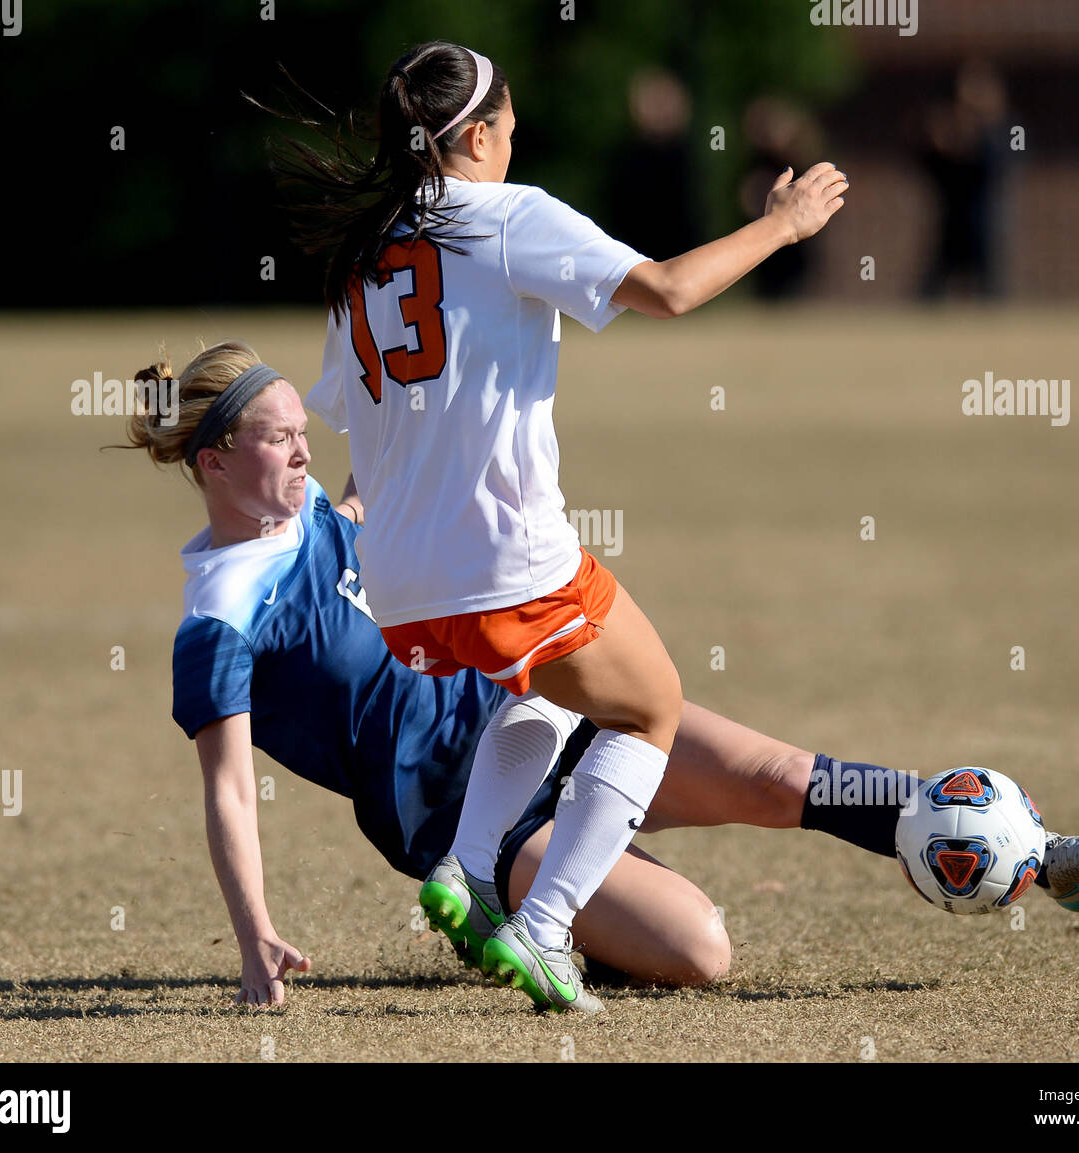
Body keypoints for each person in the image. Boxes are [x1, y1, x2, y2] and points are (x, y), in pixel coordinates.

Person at [122, 341, 1079, 1010]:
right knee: (701, 949)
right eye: (278, 439)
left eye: (307, 431)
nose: (303, 452)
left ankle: (1038, 854)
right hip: (455, 812)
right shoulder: (220, 614)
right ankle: (500, 912)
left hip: (548, 699)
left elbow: (386, 463)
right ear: (213, 459)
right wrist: (254, 939)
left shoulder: (319, 517)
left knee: (785, 778)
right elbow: (227, 789)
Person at [290, 40, 850, 1014]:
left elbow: (359, 423)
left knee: (550, 692)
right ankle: (544, 930)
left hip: (396, 580)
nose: (515, 139)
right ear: (474, 134)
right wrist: (783, 225)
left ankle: (465, 871)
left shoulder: (360, 252)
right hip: (503, 560)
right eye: (506, 123)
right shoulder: (509, 218)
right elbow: (670, 290)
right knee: (647, 710)